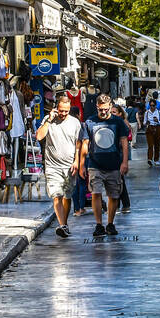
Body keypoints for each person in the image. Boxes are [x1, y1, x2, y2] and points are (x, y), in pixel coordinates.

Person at [81, 94, 130, 236]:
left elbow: (124, 142)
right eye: (100, 109)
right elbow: (85, 144)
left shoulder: (118, 122)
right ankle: (98, 224)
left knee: (114, 196)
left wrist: (124, 162)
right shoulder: (90, 121)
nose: (103, 112)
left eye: (105, 109)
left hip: (114, 164)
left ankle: (110, 223)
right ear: (97, 107)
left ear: (110, 107)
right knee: (96, 193)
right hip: (95, 164)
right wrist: (82, 164)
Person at [36, 95, 83, 237]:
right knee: (57, 195)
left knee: (67, 196)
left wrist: (77, 161)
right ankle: (62, 225)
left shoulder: (75, 123)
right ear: (56, 108)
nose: (63, 114)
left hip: (69, 166)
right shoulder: (48, 120)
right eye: (61, 111)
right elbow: (39, 136)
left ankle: (64, 223)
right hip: (52, 166)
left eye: (66, 111)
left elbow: (78, 143)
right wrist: (49, 120)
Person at [144, 92, 160, 167]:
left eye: (153, 105)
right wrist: (146, 122)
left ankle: (156, 160)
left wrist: (158, 121)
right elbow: (144, 122)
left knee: (157, 145)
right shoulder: (147, 113)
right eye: (150, 106)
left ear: (156, 106)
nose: (152, 107)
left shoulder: (159, 112)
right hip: (150, 128)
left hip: (157, 128)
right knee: (150, 145)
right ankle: (149, 159)